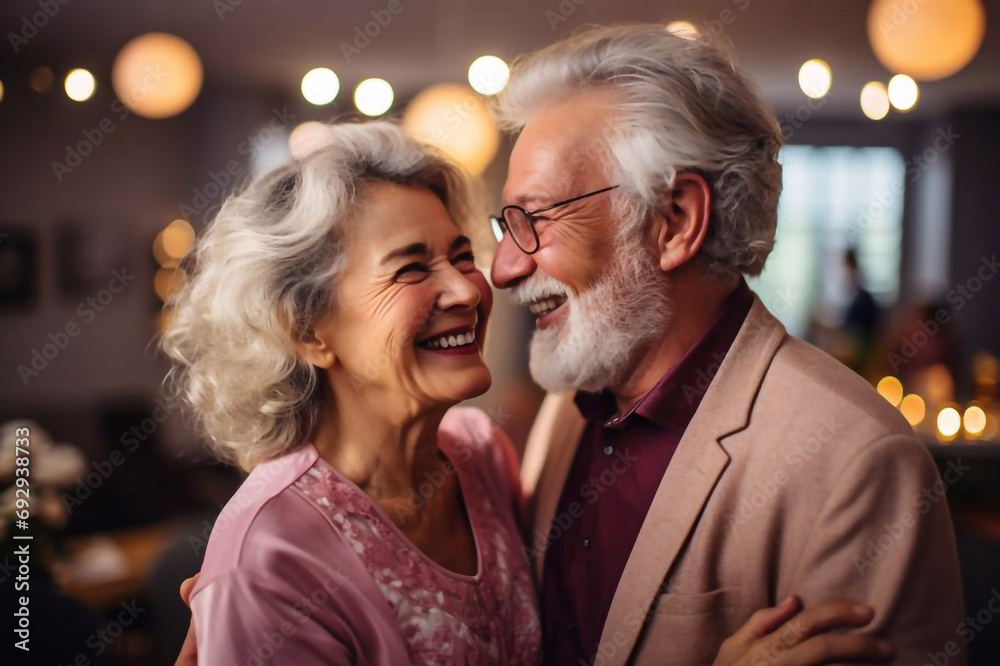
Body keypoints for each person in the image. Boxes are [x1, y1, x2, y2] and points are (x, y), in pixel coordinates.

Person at [168, 122, 896, 666]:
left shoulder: (478, 457)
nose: (469, 288)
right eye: (412, 268)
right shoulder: (270, 558)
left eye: (460, 254)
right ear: (309, 330)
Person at [489, 24, 965, 665]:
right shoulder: (566, 409)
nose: (502, 268)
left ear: (675, 221)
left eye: (536, 219)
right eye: (506, 225)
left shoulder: (858, 461)